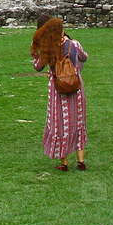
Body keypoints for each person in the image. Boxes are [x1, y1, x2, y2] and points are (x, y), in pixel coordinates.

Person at [33, 15, 89, 171]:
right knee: (78, 121)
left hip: (58, 87)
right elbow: (84, 57)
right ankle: (81, 160)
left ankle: (64, 161)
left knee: (60, 123)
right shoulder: (74, 44)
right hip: (76, 85)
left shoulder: (47, 48)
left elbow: (37, 66)